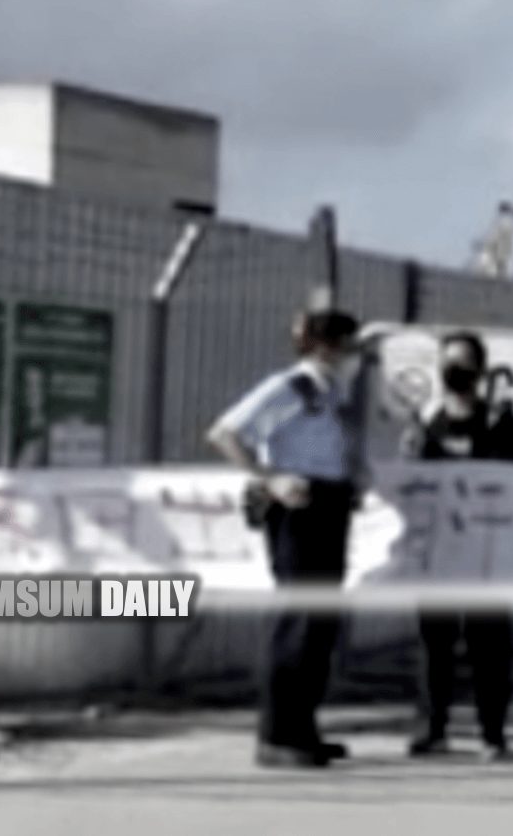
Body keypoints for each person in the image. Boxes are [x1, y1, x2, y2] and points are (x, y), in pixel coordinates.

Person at [207, 308, 363, 769]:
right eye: (349, 345)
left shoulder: (330, 393)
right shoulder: (293, 387)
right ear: (326, 345)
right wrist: (269, 479)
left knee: (321, 620)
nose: (354, 355)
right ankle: (277, 733)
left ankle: (303, 727)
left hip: (330, 501)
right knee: (298, 618)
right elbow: (226, 432)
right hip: (300, 505)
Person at [404, 330, 513, 763]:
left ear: (481, 372)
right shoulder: (424, 424)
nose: (454, 374)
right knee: (434, 646)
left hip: (487, 555)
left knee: (489, 647)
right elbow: (405, 482)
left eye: (462, 365)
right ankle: (432, 730)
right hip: (438, 554)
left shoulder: (502, 423)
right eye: (447, 365)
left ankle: (492, 734)